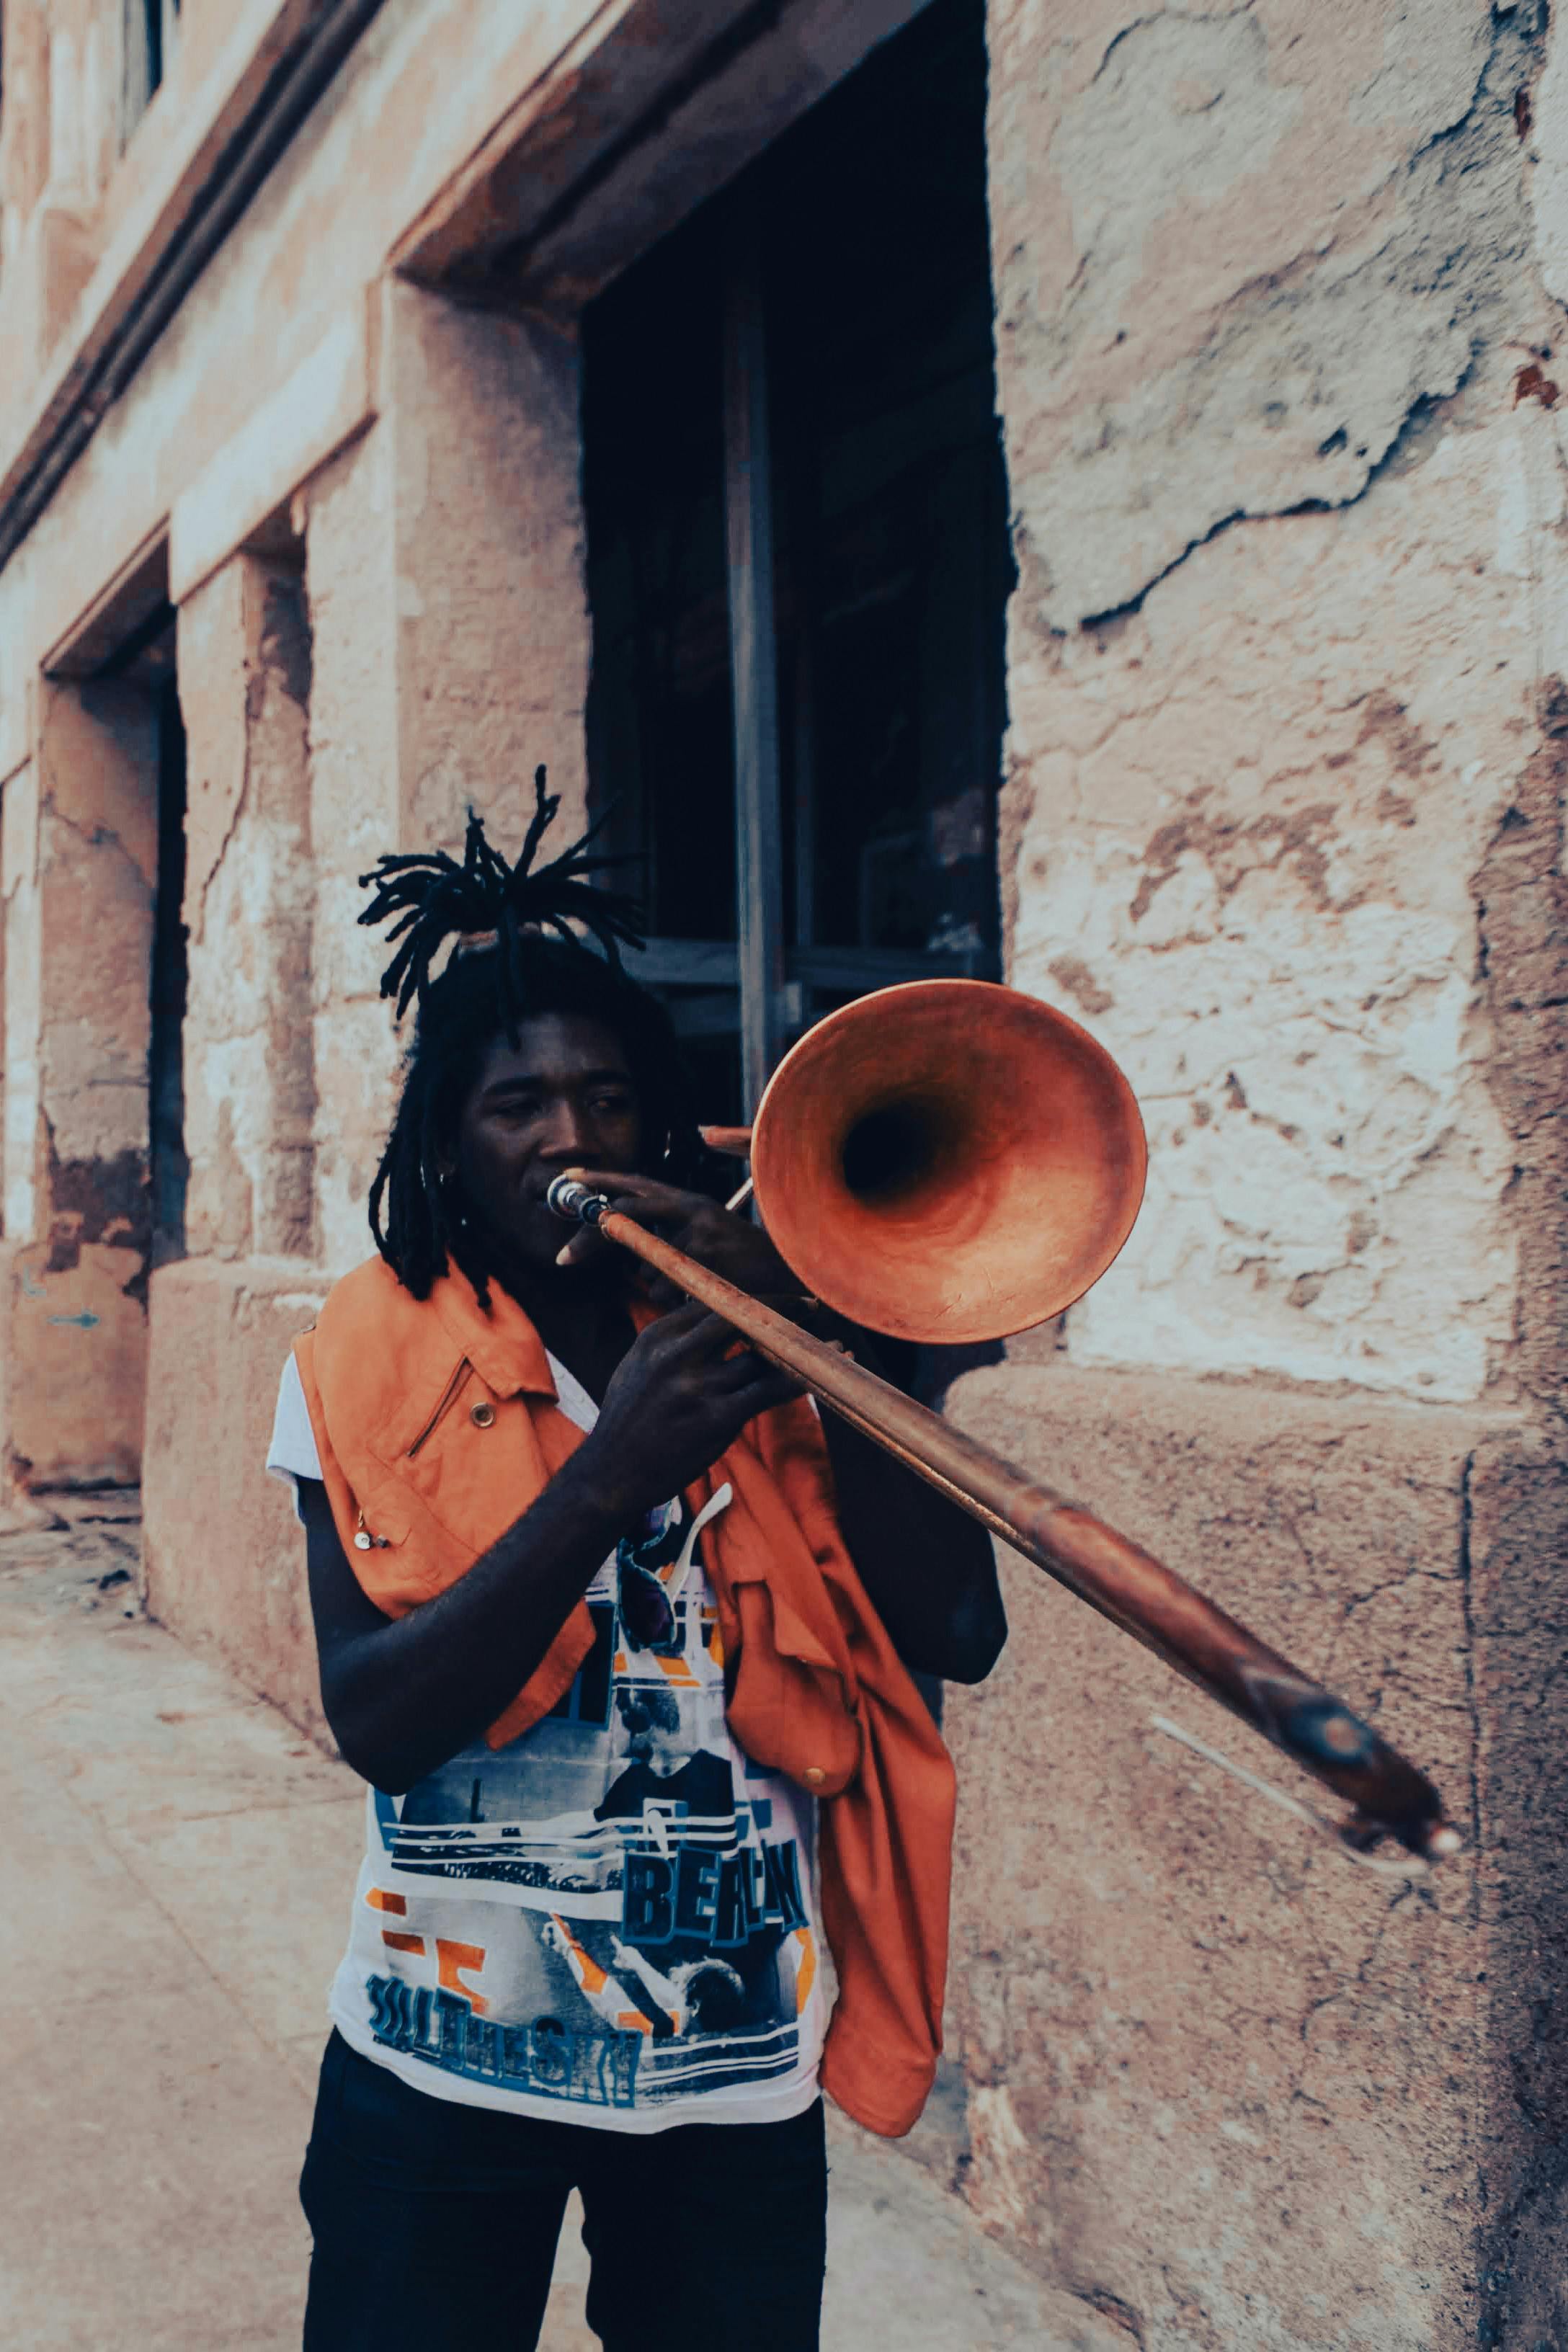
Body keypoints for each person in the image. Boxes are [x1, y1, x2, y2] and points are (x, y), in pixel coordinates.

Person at [266, 780, 1007, 2352]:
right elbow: (381, 1723)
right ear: (447, 1149)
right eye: (513, 1106)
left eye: (608, 1100)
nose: (570, 1140)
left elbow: (952, 1622)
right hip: (439, 2058)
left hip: (729, 2075)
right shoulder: (352, 1360)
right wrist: (613, 1471)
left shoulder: (770, 1348)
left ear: (662, 1124)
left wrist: (840, 1332)